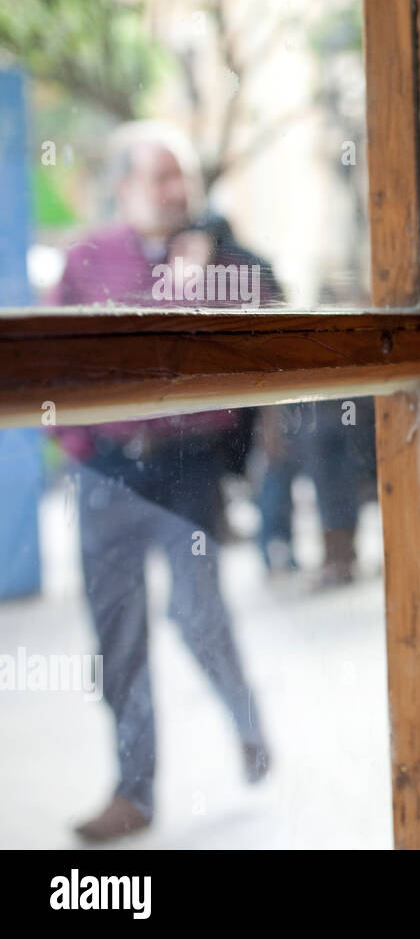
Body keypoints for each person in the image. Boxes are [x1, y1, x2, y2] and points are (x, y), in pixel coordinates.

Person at [50, 121, 277, 842]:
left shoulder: (217, 253)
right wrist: (80, 442)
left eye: (183, 176)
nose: (177, 190)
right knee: (119, 635)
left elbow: (271, 310)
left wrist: (211, 262)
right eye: (160, 176)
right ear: (123, 188)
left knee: (199, 613)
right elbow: (45, 357)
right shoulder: (86, 259)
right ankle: (133, 792)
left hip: (189, 469)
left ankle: (246, 719)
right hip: (108, 472)